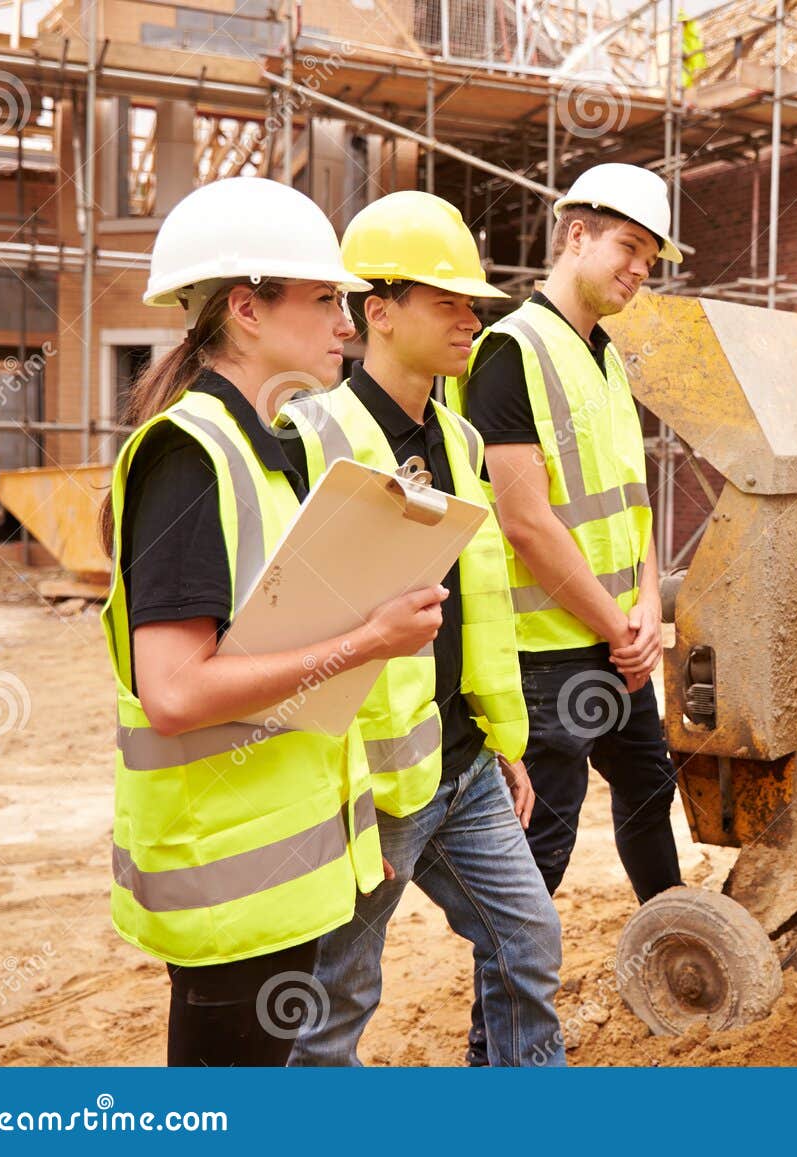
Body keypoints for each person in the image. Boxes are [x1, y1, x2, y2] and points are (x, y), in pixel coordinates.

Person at [102, 176, 445, 1066]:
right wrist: (366, 642)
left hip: (278, 878)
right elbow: (174, 692)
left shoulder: (281, 447)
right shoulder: (188, 456)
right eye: (326, 297)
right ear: (248, 309)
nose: (346, 321)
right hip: (225, 882)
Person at [283, 191, 564, 1067]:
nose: (469, 319)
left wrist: (499, 733)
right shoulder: (310, 436)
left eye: (474, 304)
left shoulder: (462, 437)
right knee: (340, 994)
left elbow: (478, 601)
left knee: (529, 945)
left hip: (463, 758)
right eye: (448, 301)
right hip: (369, 774)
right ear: (380, 310)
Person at [449, 163, 682, 904]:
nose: (642, 268)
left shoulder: (607, 356)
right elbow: (525, 521)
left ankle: (677, 951)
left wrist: (647, 610)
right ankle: (504, 1024)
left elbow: (631, 504)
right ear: (576, 235)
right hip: (546, 655)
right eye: (630, 247)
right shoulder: (508, 351)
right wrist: (620, 626)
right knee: (542, 843)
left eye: (652, 257)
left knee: (649, 788)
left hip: (616, 640)